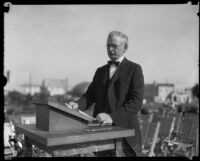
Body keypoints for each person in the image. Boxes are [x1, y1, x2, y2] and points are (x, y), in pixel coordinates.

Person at [67, 31, 144, 156]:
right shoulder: (100, 71)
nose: (110, 49)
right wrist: (77, 105)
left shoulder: (135, 69)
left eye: (114, 46)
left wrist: (112, 117)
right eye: (108, 45)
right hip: (100, 133)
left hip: (125, 135)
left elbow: (136, 101)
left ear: (125, 48)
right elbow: (89, 96)